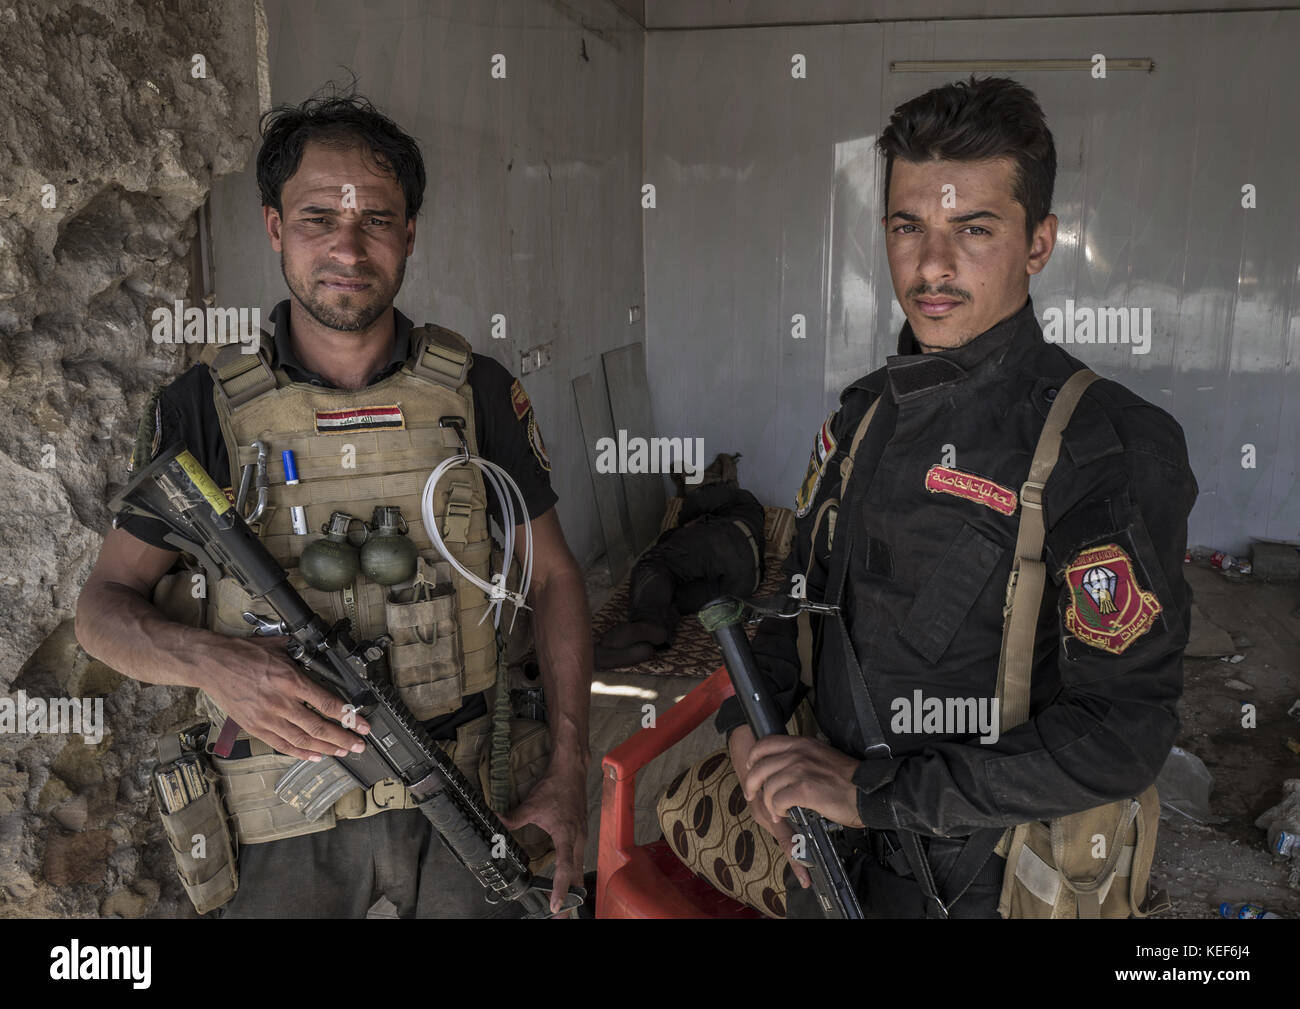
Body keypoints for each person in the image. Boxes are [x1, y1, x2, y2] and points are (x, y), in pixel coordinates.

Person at [74, 88, 593, 918]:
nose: (347, 247)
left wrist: (569, 766)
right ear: (275, 227)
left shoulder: (478, 392)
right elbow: (102, 609)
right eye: (319, 217)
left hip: (464, 787)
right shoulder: (202, 408)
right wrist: (216, 665)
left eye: (375, 220)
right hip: (281, 811)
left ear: (409, 234)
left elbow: (557, 578)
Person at [717, 75, 1197, 918]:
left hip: (985, 882)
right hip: (826, 857)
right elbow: (795, 604)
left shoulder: (1105, 445)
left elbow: (1121, 731)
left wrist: (872, 794)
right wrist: (750, 739)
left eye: (974, 229)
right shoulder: (864, 414)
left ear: (1039, 242)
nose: (932, 265)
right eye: (909, 227)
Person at [596, 453, 765, 669]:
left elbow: (693, 507)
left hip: (725, 541)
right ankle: (651, 641)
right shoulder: (752, 508)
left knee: (653, 564)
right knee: (667, 593)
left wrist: (684, 521)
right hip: (745, 583)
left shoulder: (729, 494)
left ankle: (647, 623)